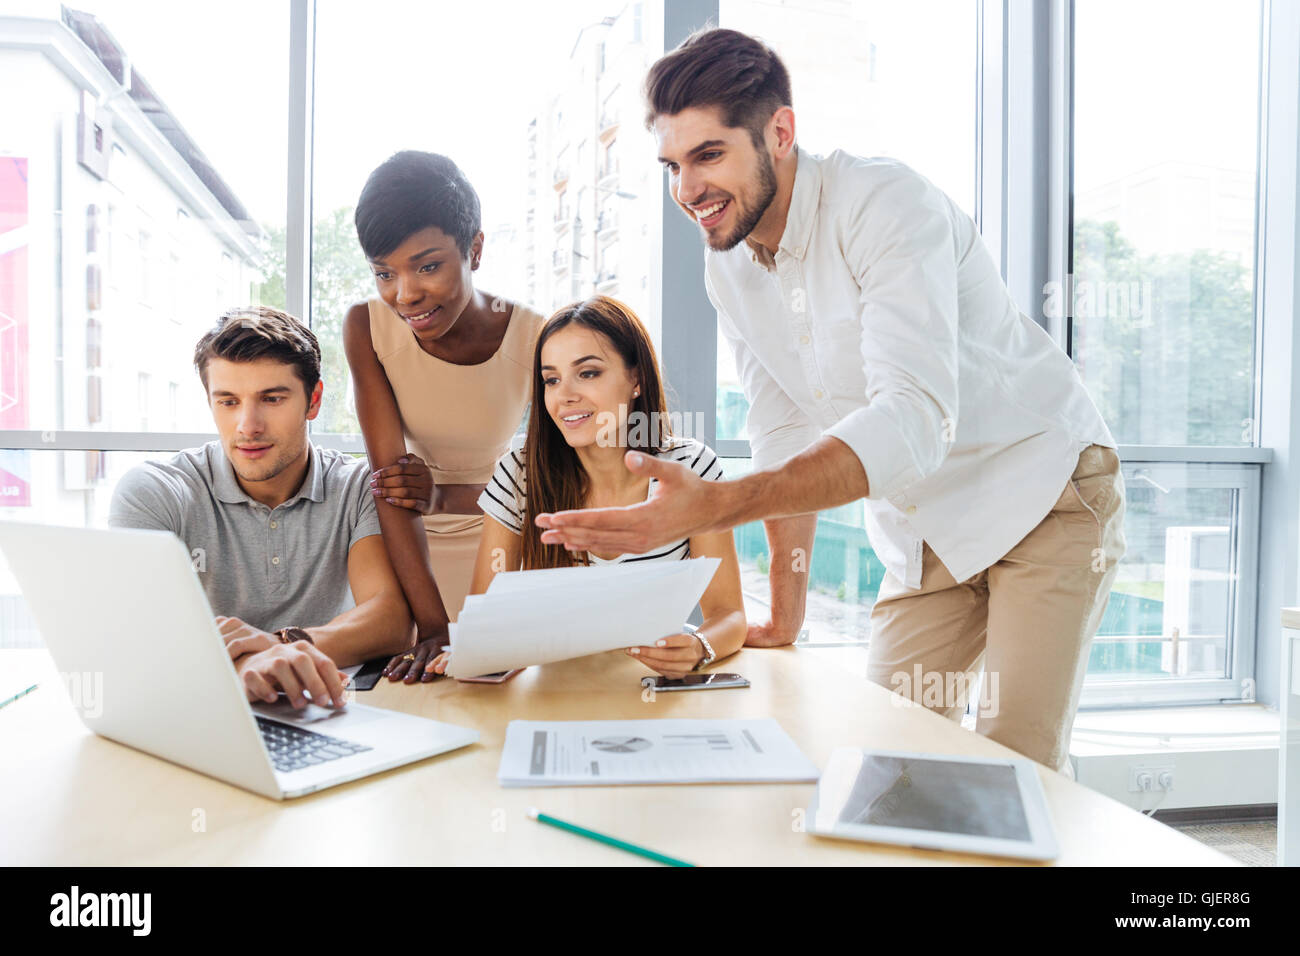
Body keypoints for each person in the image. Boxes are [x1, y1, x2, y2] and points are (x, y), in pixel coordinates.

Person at [536, 28, 1126, 773]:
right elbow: (782, 428)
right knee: (887, 758)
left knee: (1015, 762)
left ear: (779, 132)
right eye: (672, 166)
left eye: (709, 155)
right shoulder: (730, 269)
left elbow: (913, 420)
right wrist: (785, 609)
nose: (687, 190)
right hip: (928, 533)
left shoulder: (885, 203)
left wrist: (719, 506)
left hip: (1043, 491)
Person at [109, 306, 414, 709]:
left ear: (314, 400)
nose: (248, 426)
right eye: (229, 401)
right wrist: (248, 665)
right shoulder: (154, 492)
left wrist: (277, 646)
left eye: (271, 398)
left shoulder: (356, 485)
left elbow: (390, 619)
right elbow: (136, 634)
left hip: (326, 708)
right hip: (198, 708)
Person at [428, 295, 747, 680]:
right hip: (554, 694)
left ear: (636, 380)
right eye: (551, 379)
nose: (565, 396)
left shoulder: (690, 468)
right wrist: (480, 651)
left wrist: (700, 647)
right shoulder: (519, 471)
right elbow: (485, 622)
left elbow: (728, 615)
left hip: (649, 689)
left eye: (588, 373)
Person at [342, 151, 546, 683]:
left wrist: (442, 495)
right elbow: (391, 489)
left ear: (474, 249)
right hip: (408, 560)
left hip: (500, 547)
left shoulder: (534, 337)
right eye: (385, 272)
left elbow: (556, 485)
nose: (405, 295)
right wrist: (431, 625)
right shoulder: (367, 328)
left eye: (427, 266)